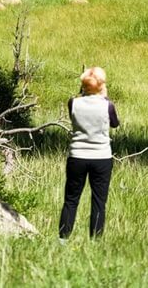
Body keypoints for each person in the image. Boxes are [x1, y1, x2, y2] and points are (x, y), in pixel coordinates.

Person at [58, 66, 120, 240]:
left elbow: (75, 119)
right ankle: (95, 241)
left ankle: (63, 239)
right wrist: (104, 97)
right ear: (101, 85)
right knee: (99, 202)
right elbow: (115, 123)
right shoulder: (108, 105)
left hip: (77, 156)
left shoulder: (73, 103)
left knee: (71, 200)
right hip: (101, 157)